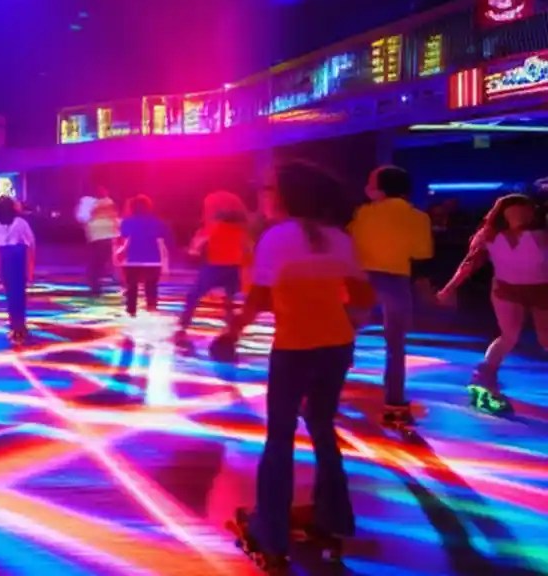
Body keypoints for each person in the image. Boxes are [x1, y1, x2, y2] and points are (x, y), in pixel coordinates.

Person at [219, 160, 375, 570]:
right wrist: (336, 319)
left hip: (294, 350)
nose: (264, 195)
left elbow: (259, 300)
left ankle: (270, 535)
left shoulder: (277, 238)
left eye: (269, 189)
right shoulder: (338, 238)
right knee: (323, 428)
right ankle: (333, 518)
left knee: (280, 436)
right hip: (337, 347)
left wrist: (231, 332)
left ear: (286, 196)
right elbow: (362, 297)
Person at [438, 194, 548, 414]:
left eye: (524, 211)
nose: (520, 216)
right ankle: (483, 381)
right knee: (509, 336)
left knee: (546, 338)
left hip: (541, 289)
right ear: (502, 213)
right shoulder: (489, 236)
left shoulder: (540, 235)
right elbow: (468, 265)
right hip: (506, 289)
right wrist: (448, 289)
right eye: (514, 211)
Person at [348, 166, 434, 427]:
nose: (367, 187)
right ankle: (394, 401)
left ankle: (323, 390)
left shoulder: (362, 213)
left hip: (361, 279)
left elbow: (349, 241)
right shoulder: (418, 217)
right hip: (397, 280)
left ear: (379, 189)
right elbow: (422, 256)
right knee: (395, 345)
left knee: (343, 334)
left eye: (370, 183)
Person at [174, 191, 250, 351]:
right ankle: (232, 331)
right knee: (229, 300)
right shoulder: (243, 229)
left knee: (193, 295)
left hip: (215, 266)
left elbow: (195, 250)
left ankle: (183, 326)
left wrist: (190, 250)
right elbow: (248, 248)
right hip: (235, 268)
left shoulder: (211, 228)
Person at [115, 194, 172, 319]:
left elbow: (124, 241)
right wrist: (166, 263)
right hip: (153, 260)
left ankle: (131, 314)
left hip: (132, 260)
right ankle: (151, 313)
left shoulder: (127, 222)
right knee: (151, 288)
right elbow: (163, 242)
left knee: (132, 289)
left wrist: (119, 255)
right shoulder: (157, 222)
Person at [0, 196, 36, 344]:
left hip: (17, 258)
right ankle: (15, 325)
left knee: (18, 294)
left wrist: (30, 267)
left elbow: (31, 244)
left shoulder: (20, 223)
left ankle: (19, 326)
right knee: (11, 294)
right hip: (7, 259)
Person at [76, 183, 121, 296]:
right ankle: (94, 285)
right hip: (97, 236)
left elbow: (113, 216)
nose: (104, 192)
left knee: (101, 261)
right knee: (96, 261)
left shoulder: (108, 202)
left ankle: (96, 284)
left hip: (107, 235)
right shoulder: (88, 202)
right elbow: (82, 218)